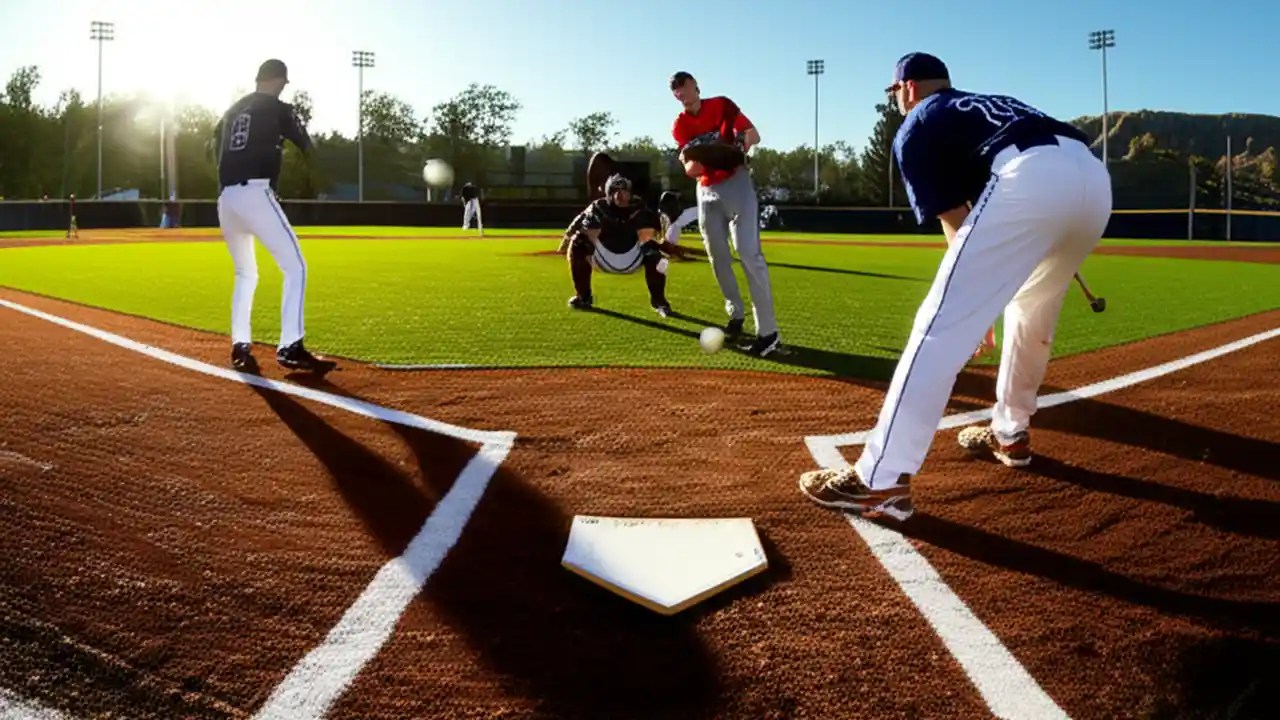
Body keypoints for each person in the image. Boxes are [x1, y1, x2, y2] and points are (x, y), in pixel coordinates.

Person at [799, 52, 1111, 521]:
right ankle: (1010, 433)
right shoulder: (982, 104)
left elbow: (955, 220)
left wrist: (973, 307)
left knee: (940, 326)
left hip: (1032, 178)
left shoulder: (918, 122)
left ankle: (878, 481)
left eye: (895, 94)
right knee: (1032, 311)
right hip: (1093, 179)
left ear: (906, 88)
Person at [213, 58, 335, 375]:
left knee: (245, 273)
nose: (283, 87)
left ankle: (240, 345)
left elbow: (212, 145)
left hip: (226, 197)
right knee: (296, 267)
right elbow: (307, 146)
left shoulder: (232, 110)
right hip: (255, 192)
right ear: (276, 79)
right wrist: (323, 176)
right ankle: (291, 347)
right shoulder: (278, 109)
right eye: (282, 81)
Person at [670, 71, 781, 357]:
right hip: (706, 190)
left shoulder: (721, 106)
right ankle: (735, 314)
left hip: (736, 181)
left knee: (748, 254)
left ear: (696, 86)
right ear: (675, 96)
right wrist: (711, 156)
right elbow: (690, 170)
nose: (684, 93)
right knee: (717, 256)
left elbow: (753, 134)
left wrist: (737, 147)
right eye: (678, 91)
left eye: (686, 87)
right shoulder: (680, 125)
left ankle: (768, 333)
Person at [563, 174, 688, 317]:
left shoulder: (639, 208)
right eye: (616, 191)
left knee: (655, 254)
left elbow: (647, 236)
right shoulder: (599, 207)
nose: (620, 195)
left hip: (632, 256)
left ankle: (659, 301)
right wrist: (570, 237)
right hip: (603, 256)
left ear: (630, 192)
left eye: (624, 191)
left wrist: (658, 246)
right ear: (608, 193)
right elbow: (585, 229)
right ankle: (583, 296)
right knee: (578, 242)